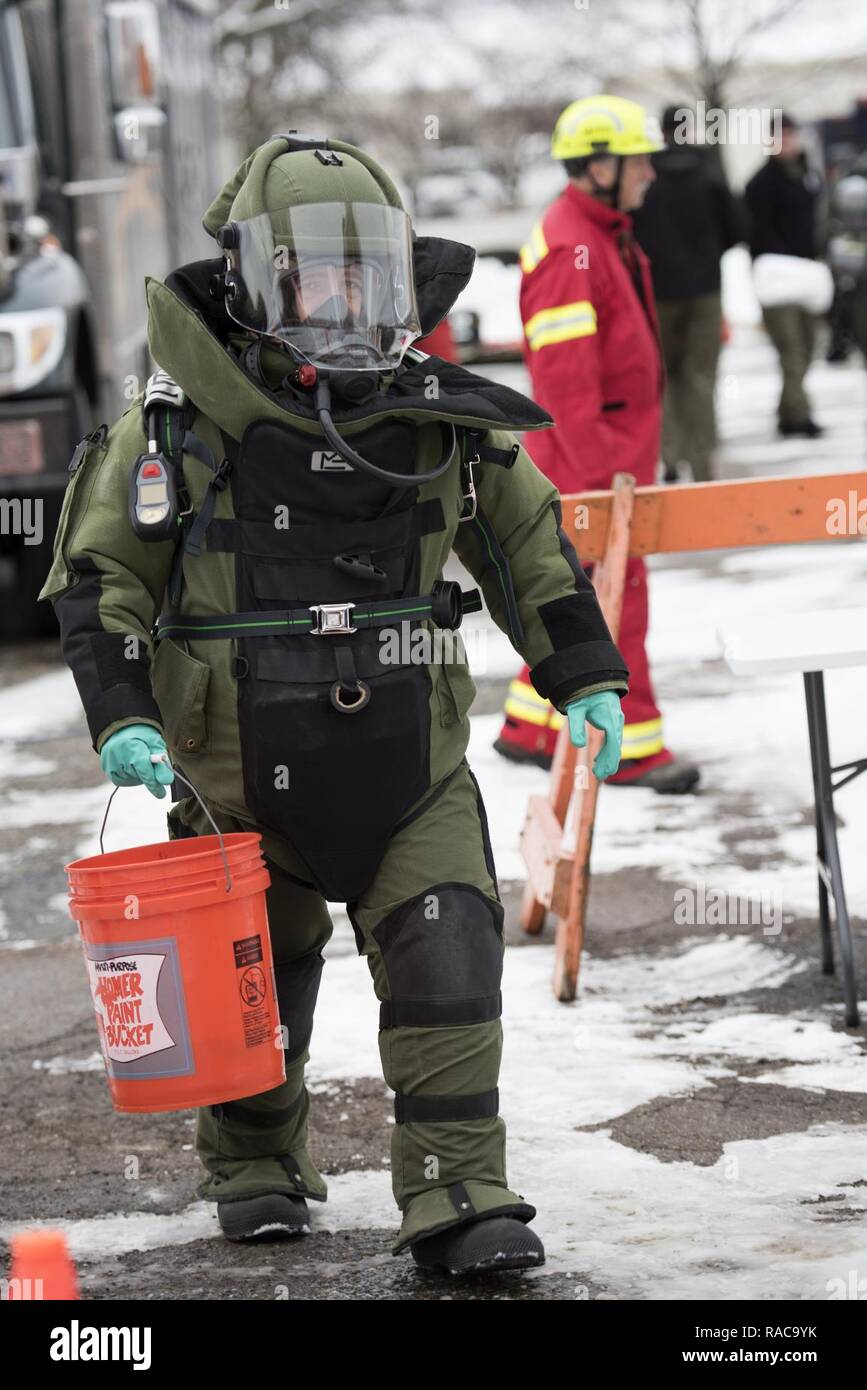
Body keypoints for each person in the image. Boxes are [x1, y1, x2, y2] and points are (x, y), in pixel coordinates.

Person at [40, 134, 630, 1277]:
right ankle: (257, 1164)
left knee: (450, 958)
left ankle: (460, 1191)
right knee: (257, 979)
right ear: (261, 283)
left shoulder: (444, 431)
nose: (344, 302)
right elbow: (101, 578)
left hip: (410, 764)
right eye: (317, 275)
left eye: (367, 275)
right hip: (228, 779)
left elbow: (532, 555)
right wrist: (124, 716)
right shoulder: (173, 432)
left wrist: (588, 676)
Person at [495, 95, 700, 793]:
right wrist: (594, 487)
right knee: (615, 596)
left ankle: (529, 726)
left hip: (609, 460)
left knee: (572, 595)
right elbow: (564, 389)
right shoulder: (568, 246)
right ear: (597, 166)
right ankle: (633, 747)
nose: (648, 172)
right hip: (594, 466)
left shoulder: (598, 230)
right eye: (638, 159)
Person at [633, 104, 744, 482]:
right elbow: (736, 226)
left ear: (661, 131)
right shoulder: (709, 168)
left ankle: (669, 456)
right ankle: (702, 460)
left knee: (663, 375)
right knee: (701, 376)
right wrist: (707, 256)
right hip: (705, 290)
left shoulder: (643, 171)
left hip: (656, 292)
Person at [744, 112, 825, 437]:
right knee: (791, 351)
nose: (786, 143)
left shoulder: (808, 176)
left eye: (790, 136)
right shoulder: (760, 183)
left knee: (807, 348)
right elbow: (754, 232)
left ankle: (786, 409)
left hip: (808, 277)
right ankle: (799, 417)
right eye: (780, 137)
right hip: (777, 278)